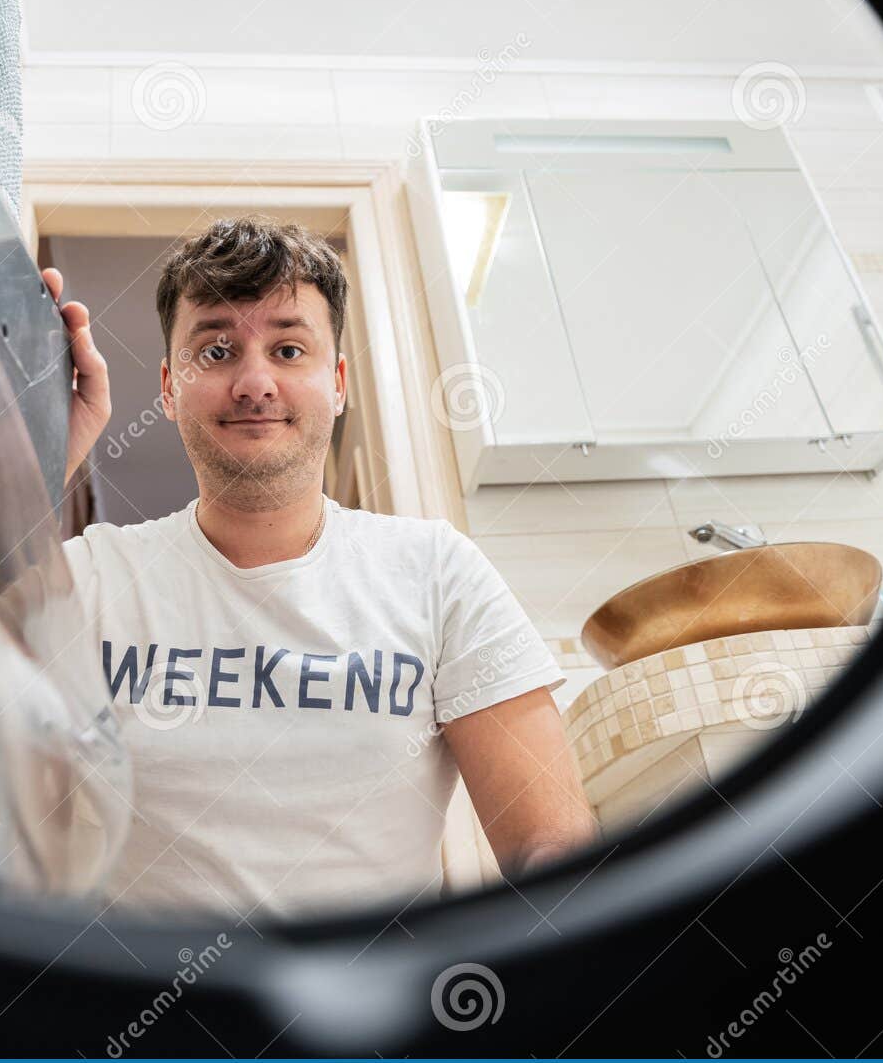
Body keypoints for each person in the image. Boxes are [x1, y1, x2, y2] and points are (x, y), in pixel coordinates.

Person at [41, 215, 597, 920]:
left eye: (288, 348)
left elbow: (551, 847)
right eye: (216, 350)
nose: (254, 383)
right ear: (169, 387)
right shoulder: (88, 575)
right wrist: (37, 464)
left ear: (337, 382)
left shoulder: (438, 571)